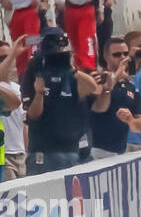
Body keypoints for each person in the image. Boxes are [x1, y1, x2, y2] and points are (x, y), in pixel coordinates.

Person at [23, 27, 98, 173]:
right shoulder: (34, 70)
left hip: (72, 150)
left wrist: (71, 69)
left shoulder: (71, 73)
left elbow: (92, 88)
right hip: (45, 151)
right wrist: (39, 92)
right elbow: (33, 115)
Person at [88, 37, 141, 159]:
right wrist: (118, 73)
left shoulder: (130, 86)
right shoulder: (98, 79)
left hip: (121, 151)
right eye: (117, 55)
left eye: (125, 54)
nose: (123, 58)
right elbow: (100, 107)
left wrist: (130, 120)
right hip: (99, 151)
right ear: (106, 57)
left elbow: (139, 127)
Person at [0, 40, 26, 180]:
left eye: (9, 57)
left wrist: (26, 151)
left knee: (24, 198)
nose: (7, 61)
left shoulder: (17, 88)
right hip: (4, 156)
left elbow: (24, 123)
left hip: (20, 153)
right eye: (2, 58)